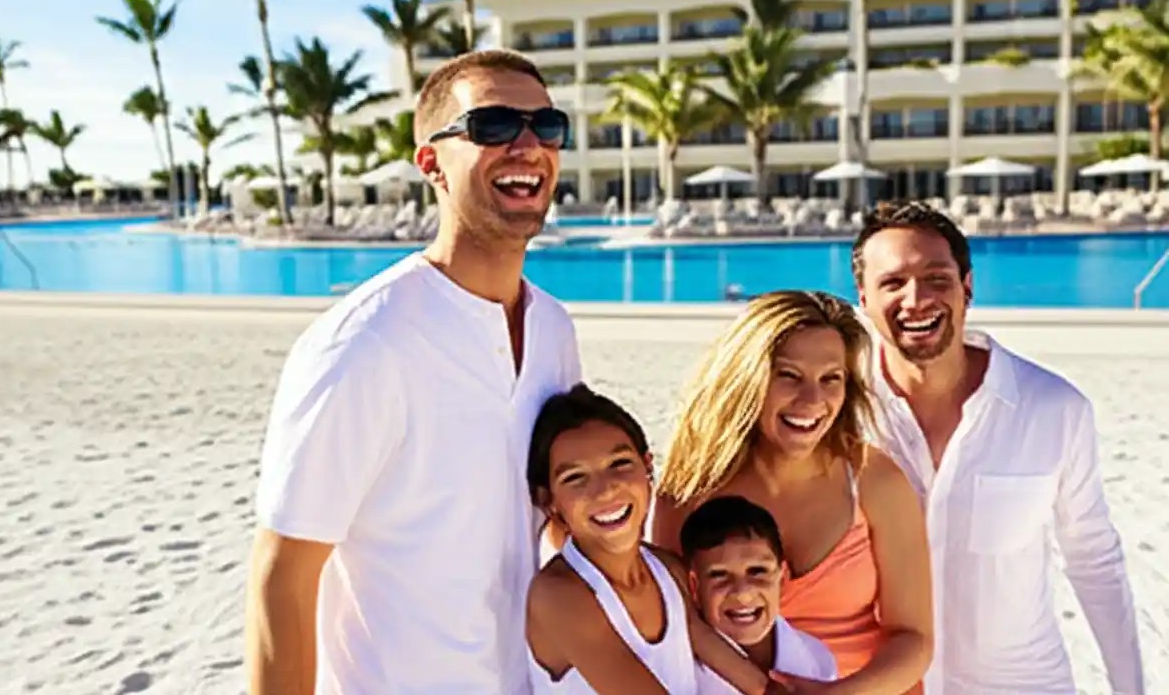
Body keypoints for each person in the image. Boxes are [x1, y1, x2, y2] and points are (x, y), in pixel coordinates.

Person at [244, 49, 583, 694]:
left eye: (547, 126)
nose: (527, 146)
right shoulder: (364, 343)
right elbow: (283, 574)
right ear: (431, 162)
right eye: (492, 126)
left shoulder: (554, 330)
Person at [852, 201, 1144, 694]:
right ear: (863, 298)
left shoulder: (1054, 408)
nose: (916, 299)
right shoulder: (838, 413)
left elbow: (1094, 559)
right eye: (893, 283)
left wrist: (1130, 688)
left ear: (968, 287)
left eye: (937, 278)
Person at [651, 290, 933, 695]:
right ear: (749, 379)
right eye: (789, 376)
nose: (812, 400)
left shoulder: (873, 479)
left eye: (830, 379)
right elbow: (682, 633)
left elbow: (914, 638)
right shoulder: (689, 491)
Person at [524, 384, 783, 695]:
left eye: (619, 465)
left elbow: (705, 640)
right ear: (549, 500)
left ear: (647, 466)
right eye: (575, 478)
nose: (606, 490)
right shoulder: (561, 596)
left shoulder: (667, 569)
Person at [679, 496, 839, 693]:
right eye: (719, 575)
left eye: (757, 571)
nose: (743, 593)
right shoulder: (678, 666)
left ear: (781, 579)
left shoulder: (817, 659)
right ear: (694, 586)